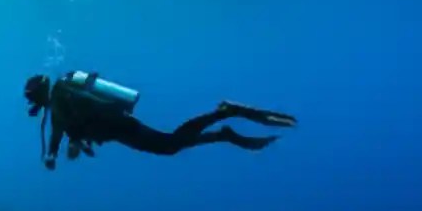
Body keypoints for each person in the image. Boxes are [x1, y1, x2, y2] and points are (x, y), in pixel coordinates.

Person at [23, 72, 296, 170]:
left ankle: (224, 114)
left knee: (170, 144)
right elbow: (59, 132)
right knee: (169, 147)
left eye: (31, 98)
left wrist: (73, 141)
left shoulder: (61, 93)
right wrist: (53, 154)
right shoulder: (55, 107)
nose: (32, 105)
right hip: (117, 131)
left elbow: (89, 110)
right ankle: (222, 132)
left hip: (119, 126)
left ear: (38, 94)